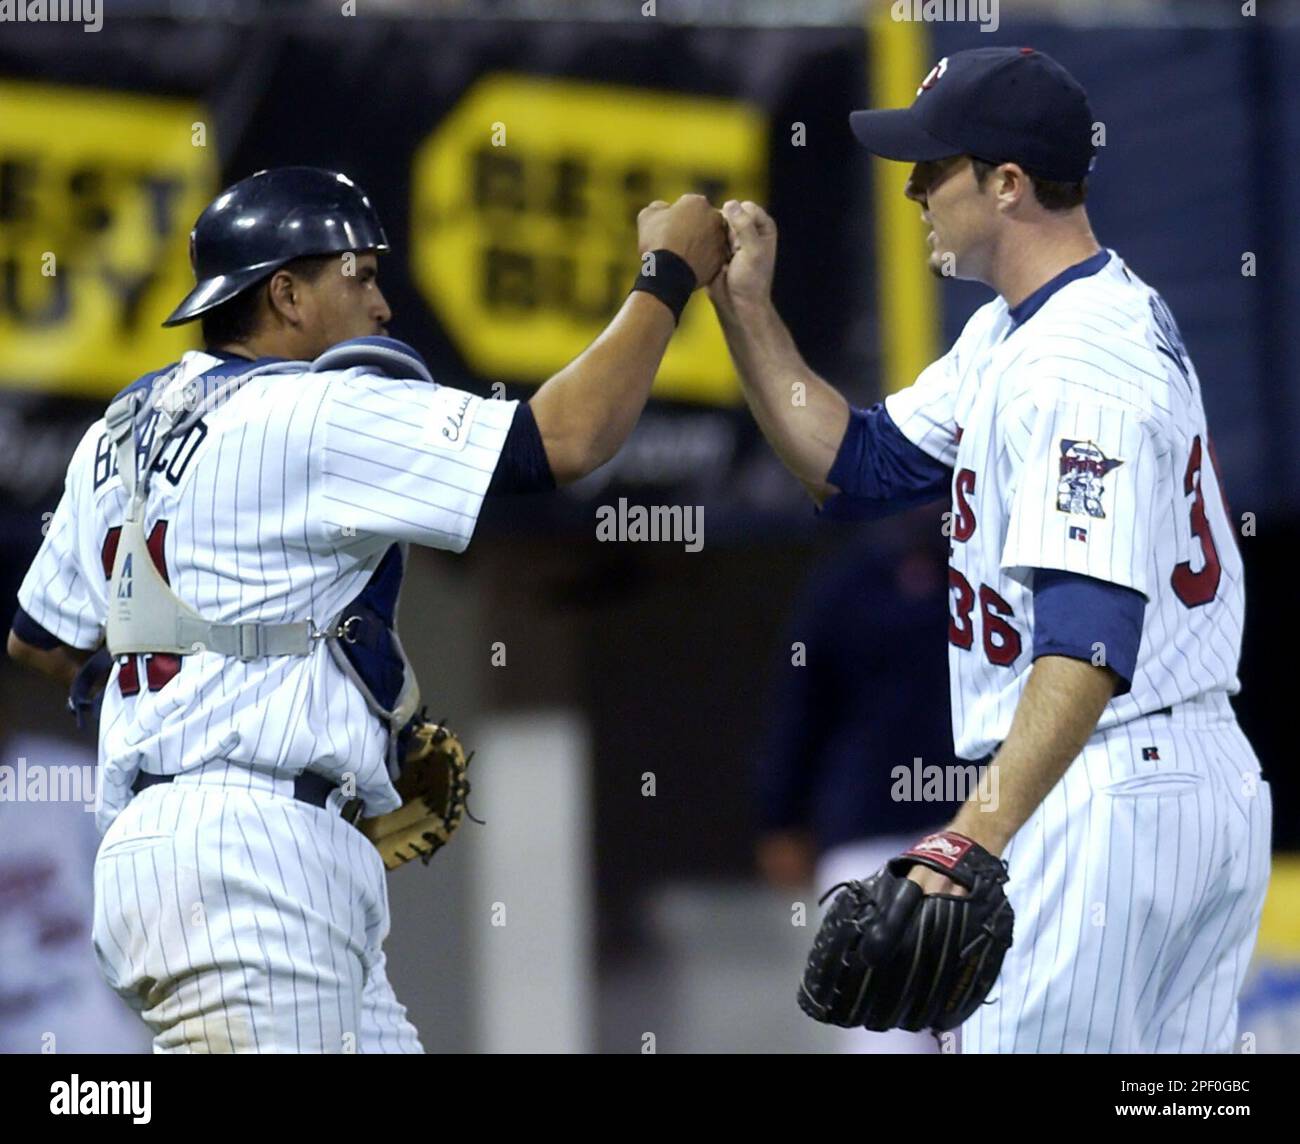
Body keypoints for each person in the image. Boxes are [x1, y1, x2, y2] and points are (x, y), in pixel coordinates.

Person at [6, 166, 725, 1053]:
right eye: (361, 274)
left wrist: (182, 697)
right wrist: (666, 277)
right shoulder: (309, 410)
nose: (383, 303)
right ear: (285, 293)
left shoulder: (118, 427)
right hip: (248, 859)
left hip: (183, 846)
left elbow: (38, 639)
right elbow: (569, 439)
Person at [709, 47, 1271, 1053]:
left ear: (1006, 184)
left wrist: (970, 833)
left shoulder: (1071, 360)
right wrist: (744, 308)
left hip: (1102, 784)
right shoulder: (1035, 328)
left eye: (935, 167)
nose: (915, 188)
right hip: (1177, 779)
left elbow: (1088, 638)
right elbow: (856, 468)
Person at [755, 527, 956, 1053]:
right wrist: (779, 820)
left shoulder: (988, 576)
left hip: (972, 828)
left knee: (993, 1031)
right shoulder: (847, 583)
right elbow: (800, 709)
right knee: (881, 1035)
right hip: (868, 835)